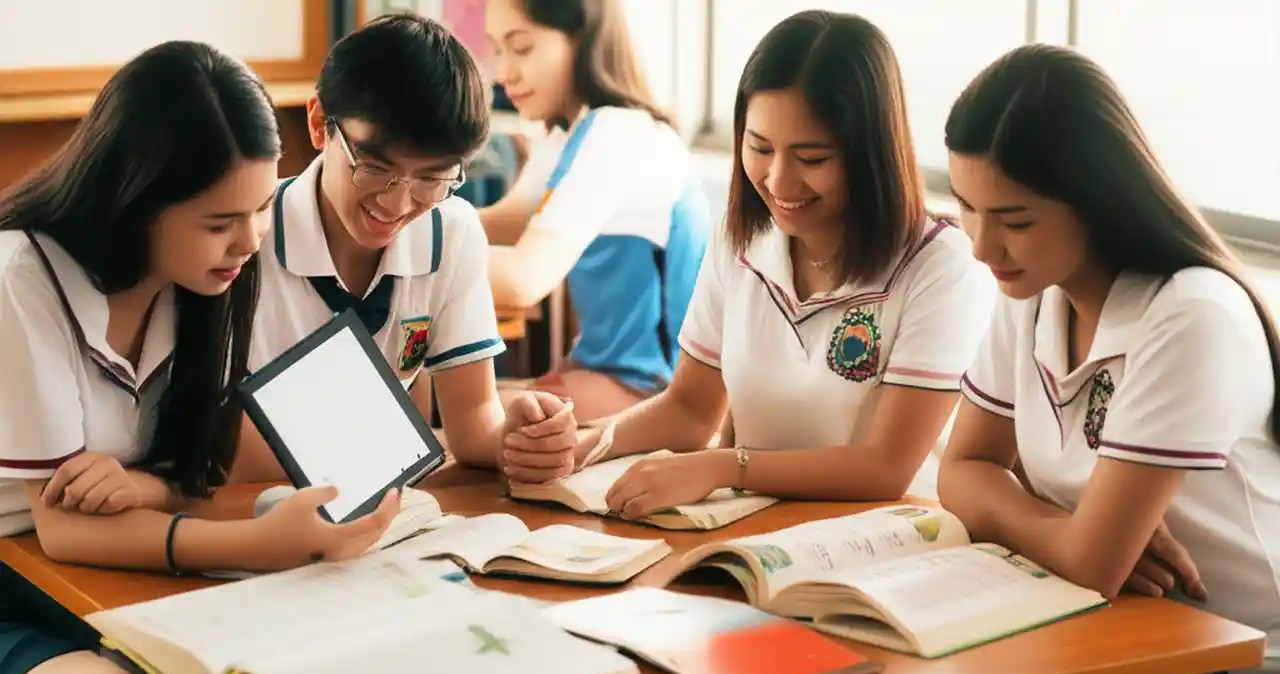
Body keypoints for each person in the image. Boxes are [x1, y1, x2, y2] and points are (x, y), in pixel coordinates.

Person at [0, 42, 401, 674]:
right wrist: (258, 546)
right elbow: (63, 528)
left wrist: (151, 486)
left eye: (260, 209)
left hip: (101, 565)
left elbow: (200, 464)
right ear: (137, 201)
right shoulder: (20, 278)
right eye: (220, 222)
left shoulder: (197, 277)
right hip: (22, 574)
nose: (249, 243)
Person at [506, 10, 993, 513]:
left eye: (812, 159)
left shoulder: (940, 265)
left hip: (882, 543)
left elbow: (886, 468)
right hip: (755, 527)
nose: (779, 182)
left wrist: (724, 466)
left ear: (871, 154)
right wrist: (579, 448)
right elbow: (691, 409)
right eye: (760, 148)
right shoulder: (742, 237)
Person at [937, 44, 1280, 674]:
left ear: (1097, 200)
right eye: (966, 207)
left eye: (1014, 220)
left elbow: (1091, 564)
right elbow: (962, 469)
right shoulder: (1032, 296)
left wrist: (1073, 538)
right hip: (1116, 640)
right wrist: (1065, 528)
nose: (980, 246)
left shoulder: (1189, 316)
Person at [232, 14, 577, 485]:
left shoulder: (450, 231)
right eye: (373, 168)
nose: (397, 204)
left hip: (386, 513)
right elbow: (216, 445)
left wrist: (517, 439)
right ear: (318, 124)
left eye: (433, 179)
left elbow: (474, 419)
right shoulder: (244, 235)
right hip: (259, 512)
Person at [480, 0, 711, 422]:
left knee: (458, 414)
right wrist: (409, 221)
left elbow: (521, 280)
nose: (503, 72)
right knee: (458, 403)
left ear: (582, 40)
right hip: (602, 370)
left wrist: (414, 250)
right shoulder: (568, 137)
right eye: (498, 49)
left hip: (658, 391)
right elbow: (500, 226)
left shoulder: (620, 133)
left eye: (523, 48)